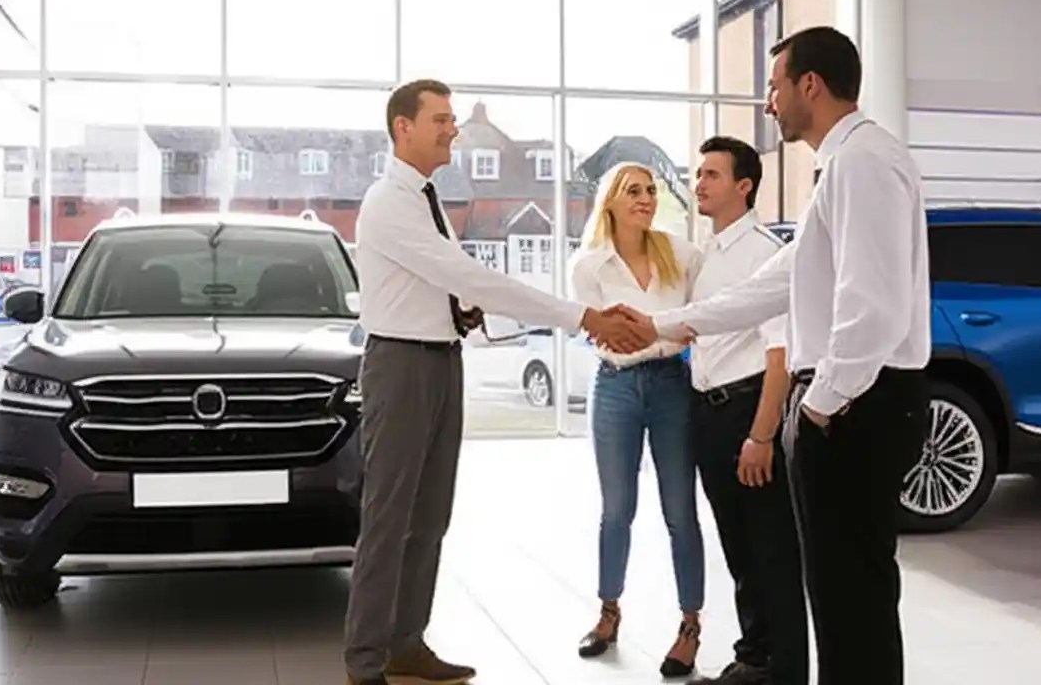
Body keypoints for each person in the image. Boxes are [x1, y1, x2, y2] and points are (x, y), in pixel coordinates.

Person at [626, 26, 931, 685]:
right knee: (849, 599)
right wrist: (660, 324)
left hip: (855, 406)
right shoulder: (844, 167)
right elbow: (770, 287)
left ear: (809, 86)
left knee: (853, 598)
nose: (769, 102)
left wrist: (817, 408)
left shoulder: (862, 163)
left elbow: (872, 310)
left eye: (774, 85)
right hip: (854, 404)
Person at [344, 78, 646, 685]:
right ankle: (365, 660)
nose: (452, 128)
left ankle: (407, 642)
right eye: (441, 119)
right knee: (389, 516)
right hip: (400, 365)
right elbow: (467, 273)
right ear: (403, 127)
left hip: (439, 359)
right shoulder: (389, 201)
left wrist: (457, 307)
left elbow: (447, 281)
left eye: (453, 118)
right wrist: (581, 316)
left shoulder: (427, 198)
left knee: (430, 516)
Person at [569, 161, 707, 679]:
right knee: (616, 511)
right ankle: (608, 615)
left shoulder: (679, 252)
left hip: (673, 385)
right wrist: (650, 333)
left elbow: (705, 310)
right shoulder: (590, 266)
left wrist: (657, 333)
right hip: (616, 388)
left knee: (680, 512)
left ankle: (690, 625)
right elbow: (599, 334)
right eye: (634, 191)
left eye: (650, 191)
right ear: (611, 200)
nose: (646, 199)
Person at [683, 136, 807, 685]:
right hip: (709, 413)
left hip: (746, 411)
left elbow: (780, 355)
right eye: (699, 174)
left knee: (770, 547)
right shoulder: (705, 253)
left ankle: (780, 668)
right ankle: (754, 656)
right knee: (738, 545)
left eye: (712, 174)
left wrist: (761, 436)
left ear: (744, 185)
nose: (699, 184)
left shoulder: (763, 253)